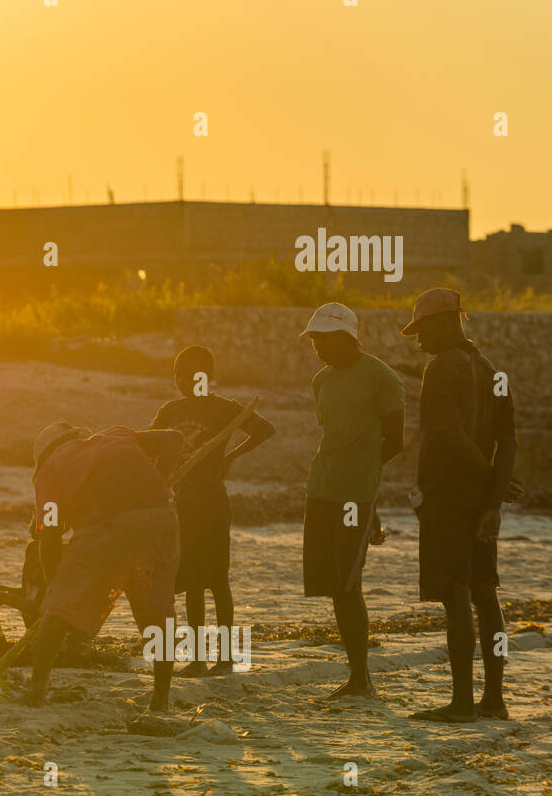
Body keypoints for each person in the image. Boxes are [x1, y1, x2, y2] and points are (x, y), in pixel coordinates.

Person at [402, 289, 517, 722]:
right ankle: (494, 700)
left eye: (423, 329)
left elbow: (447, 435)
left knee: (456, 594)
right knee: (485, 593)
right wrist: (495, 495)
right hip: (481, 499)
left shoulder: (439, 369)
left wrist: (490, 482)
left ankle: (461, 703)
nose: (418, 341)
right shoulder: (494, 371)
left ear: (448, 322)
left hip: (449, 495)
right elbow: (507, 442)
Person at [26, 422, 183, 709]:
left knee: (58, 606)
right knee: (157, 614)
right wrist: (162, 478)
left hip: (105, 526)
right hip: (161, 518)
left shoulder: (49, 470)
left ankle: (36, 691)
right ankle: (161, 697)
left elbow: (48, 536)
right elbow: (174, 438)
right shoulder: (118, 434)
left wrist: (53, 589)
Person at [300, 303, 404, 699]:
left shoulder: (382, 378)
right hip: (321, 489)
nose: (317, 348)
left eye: (323, 340)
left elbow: (395, 443)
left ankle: (361, 679)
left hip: (353, 496)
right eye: (313, 341)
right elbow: (335, 439)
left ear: (347, 338)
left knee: (347, 585)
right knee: (332, 584)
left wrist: (367, 494)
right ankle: (357, 677)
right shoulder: (320, 381)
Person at [151, 345, 274, 676]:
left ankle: (227, 659)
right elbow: (149, 446)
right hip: (181, 503)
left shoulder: (225, 409)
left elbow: (265, 430)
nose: (183, 380)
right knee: (190, 581)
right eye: (178, 374)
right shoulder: (171, 411)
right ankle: (198, 660)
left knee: (217, 581)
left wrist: (229, 457)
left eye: (191, 374)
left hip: (213, 503)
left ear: (207, 376)